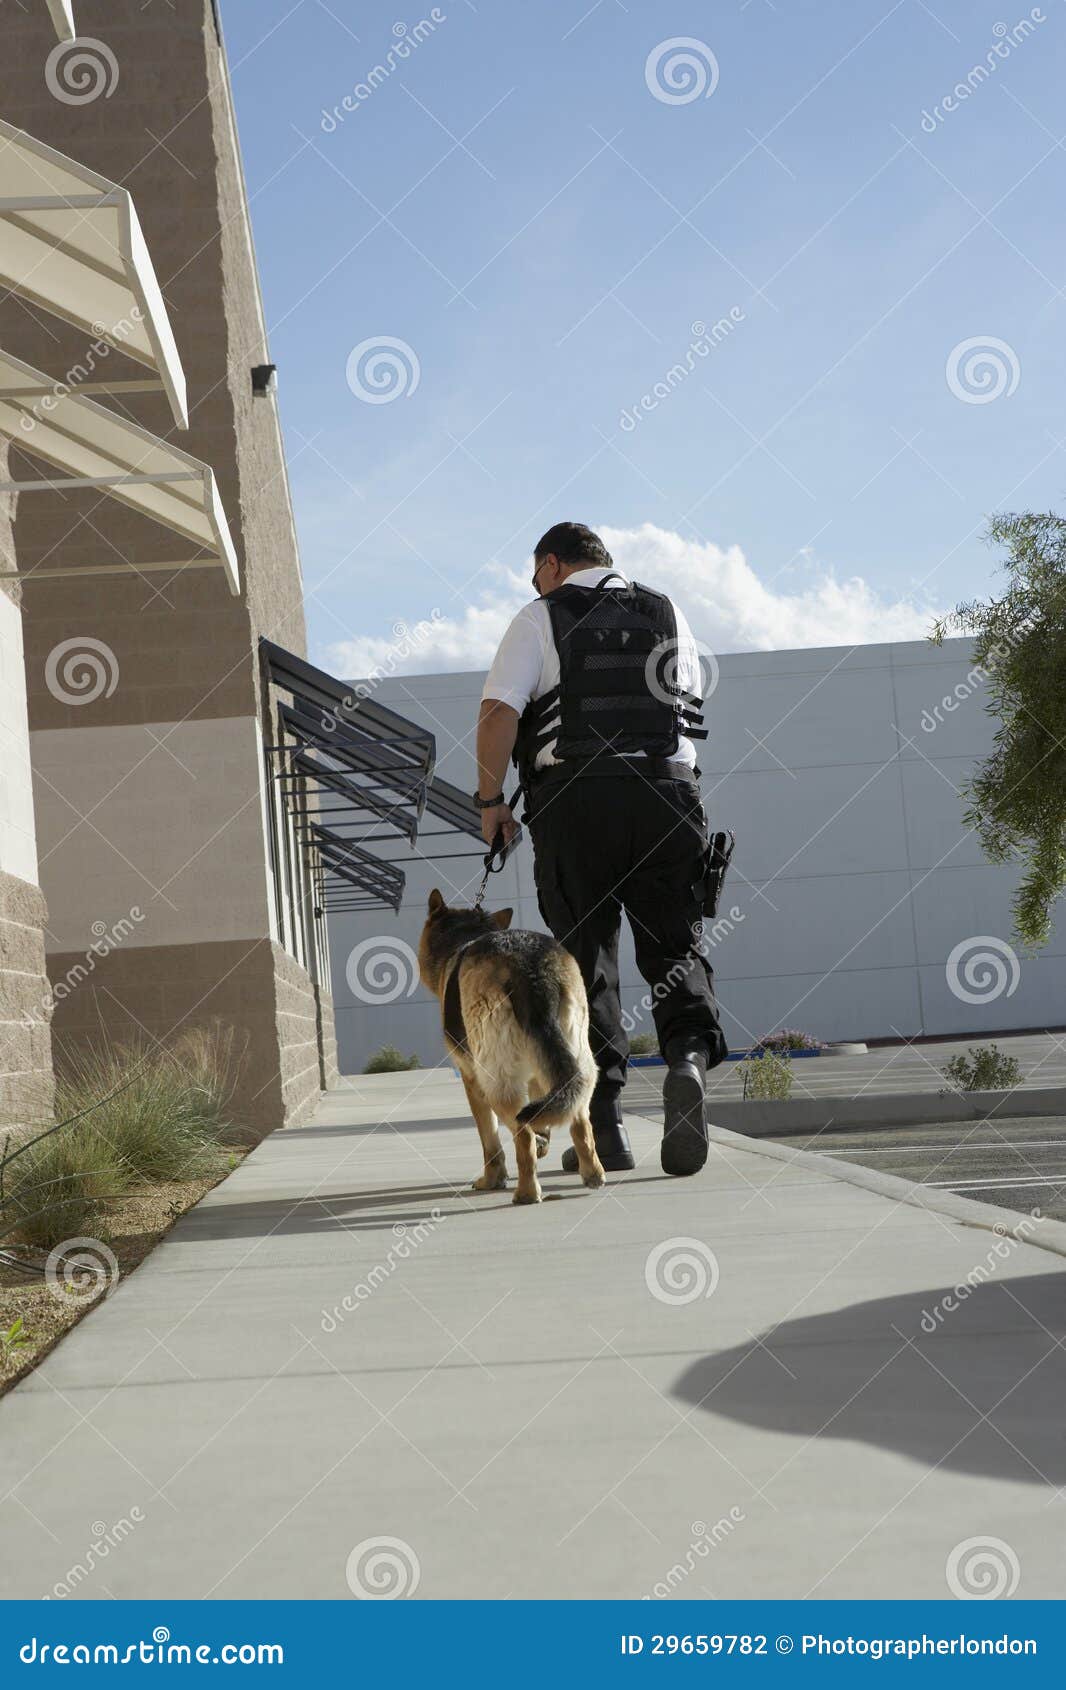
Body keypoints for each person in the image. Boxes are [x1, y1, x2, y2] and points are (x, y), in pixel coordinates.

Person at [474, 521, 728, 1176]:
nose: (536, 586)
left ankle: (604, 1128)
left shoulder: (539, 618)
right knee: (675, 947)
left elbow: (499, 712)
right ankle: (688, 1062)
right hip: (669, 798)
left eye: (536, 575)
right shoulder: (668, 610)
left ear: (551, 564)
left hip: (576, 802)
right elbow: (683, 706)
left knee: (584, 963)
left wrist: (490, 800)